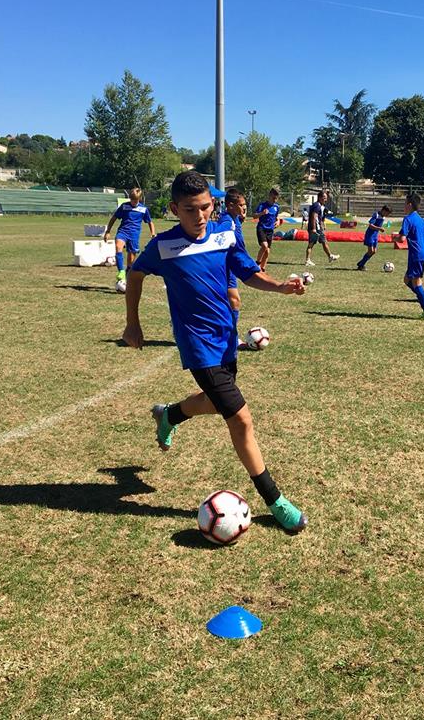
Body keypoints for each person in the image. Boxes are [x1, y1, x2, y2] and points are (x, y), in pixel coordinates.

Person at [123, 171, 309, 534]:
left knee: (214, 400)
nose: (200, 216)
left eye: (206, 207)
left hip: (226, 337)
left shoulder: (225, 234)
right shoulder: (162, 246)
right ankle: (275, 499)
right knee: (240, 419)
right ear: (175, 209)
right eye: (191, 210)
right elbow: (135, 276)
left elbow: (247, 271)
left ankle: (170, 415)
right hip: (196, 344)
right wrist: (133, 322)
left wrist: (279, 287)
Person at [102, 187, 157, 288]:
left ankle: (127, 281)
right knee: (118, 247)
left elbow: (150, 222)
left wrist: (153, 233)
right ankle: (121, 272)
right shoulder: (124, 207)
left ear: (139, 199)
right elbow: (113, 218)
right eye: (131, 199)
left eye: (135, 200)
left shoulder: (143, 209)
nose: (133, 202)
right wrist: (108, 231)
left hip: (134, 235)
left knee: (130, 262)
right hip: (123, 232)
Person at [399, 193, 424, 318]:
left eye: (405, 203)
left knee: (416, 282)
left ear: (409, 205)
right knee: (407, 279)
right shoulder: (420, 219)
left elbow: (402, 238)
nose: (404, 206)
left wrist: (395, 238)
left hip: (415, 254)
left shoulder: (408, 219)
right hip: (423, 253)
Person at [216, 187, 247, 325]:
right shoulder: (227, 221)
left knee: (224, 300)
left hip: (230, 265)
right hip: (225, 265)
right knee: (234, 300)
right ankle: (231, 336)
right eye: (241, 205)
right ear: (230, 206)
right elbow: (219, 235)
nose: (244, 207)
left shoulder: (235, 218)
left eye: (245, 204)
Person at [304, 190, 340, 266]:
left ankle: (330, 256)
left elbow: (320, 218)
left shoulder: (320, 206)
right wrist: (314, 228)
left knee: (324, 241)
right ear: (320, 198)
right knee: (311, 244)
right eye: (324, 198)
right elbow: (314, 216)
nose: (326, 200)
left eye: (326, 198)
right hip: (315, 228)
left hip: (318, 227)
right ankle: (307, 260)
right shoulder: (317, 205)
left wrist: (323, 226)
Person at [356, 205, 391, 270]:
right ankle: (361, 265)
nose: (387, 215)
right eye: (387, 213)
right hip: (370, 235)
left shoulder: (383, 217)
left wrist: (379, 229)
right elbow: (370, 225)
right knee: (370, 251)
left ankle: (361, 263)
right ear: (383, 210)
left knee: (374, 251)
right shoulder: (376, 215)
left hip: (375, 235)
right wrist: (379, 228)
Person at [253, 188, 280, 272]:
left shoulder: (276, 207)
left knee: (267, 251)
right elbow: (254, 215)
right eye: (273, 198)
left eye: (276, 198)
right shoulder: (262, 205)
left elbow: (276, 217)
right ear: (270, 196)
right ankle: (257, 264)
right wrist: (261, 213)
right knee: (264, 246)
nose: (275, 200)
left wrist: (278, 221)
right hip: (261, 228)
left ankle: (262, 268)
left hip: (270, 230)